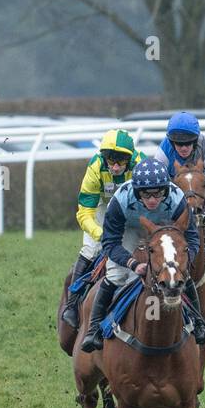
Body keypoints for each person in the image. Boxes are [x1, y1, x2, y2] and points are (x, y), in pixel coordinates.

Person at [80, 157, 205, 353]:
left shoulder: (177, 199)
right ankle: (93, 330)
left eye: (158, 193)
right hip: (129, 228)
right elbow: (110, 242)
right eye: (145, 194)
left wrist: (184, 261)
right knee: (116, 275)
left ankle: (198, 324)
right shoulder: (120, 200)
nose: (152, 200)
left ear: (166, 190)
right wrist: (132, 264)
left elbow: (191, 238)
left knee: (181, 275)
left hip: (165, 227)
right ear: (136, 191)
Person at [60, 129, 141, 328]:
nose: (115, 167)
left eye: (120, 161)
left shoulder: (140, 165)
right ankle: (71, 306)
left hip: (134, 209)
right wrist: (101, 234)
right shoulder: (96, 166)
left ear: (130, 159)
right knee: (91, 249)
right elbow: (84, 213)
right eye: (110, 160)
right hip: (103, 207)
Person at [157, 110, 205, 289]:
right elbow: (159, 191)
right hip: (174, 198)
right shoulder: (162, 155)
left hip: (199, 200)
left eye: (188, 143)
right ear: (171, 142)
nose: (184, 148)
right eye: (179, 144)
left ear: (195, 140)